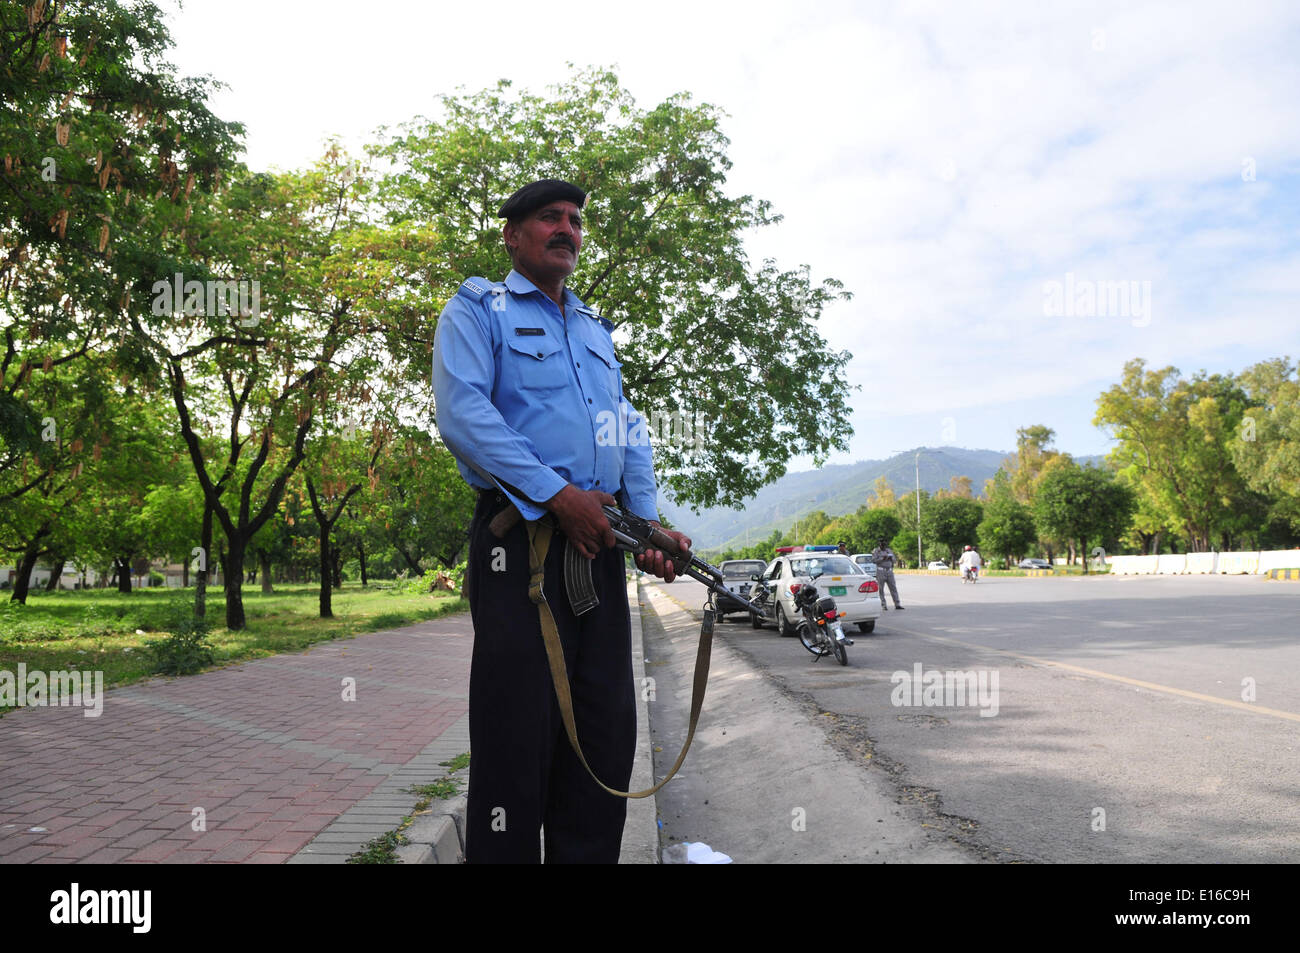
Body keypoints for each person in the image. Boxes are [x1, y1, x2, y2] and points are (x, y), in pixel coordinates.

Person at [431, 178, 689, 864]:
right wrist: (555, 494)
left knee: (604, 735)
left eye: (575, 220)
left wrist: (648, 528)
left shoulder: (595, 331)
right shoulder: (476, 309)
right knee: (517, 739)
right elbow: (463, 415)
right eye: (550, 217)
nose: (567, 228)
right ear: (513, 234)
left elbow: (629, 429)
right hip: (518, 550)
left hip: (599, 544)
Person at [870, 537, 904, 610]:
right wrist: (882, 559)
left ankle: (897, 604)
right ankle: (883, 605)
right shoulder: (876, 551)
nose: (883, 545)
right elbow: (873, 560)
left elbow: (894, 560)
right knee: (881, 589)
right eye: (881, 543)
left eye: (884, 543)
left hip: (889, 571)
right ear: (879, 544)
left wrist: (891, 558)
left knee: (893, 588)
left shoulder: (889, 550)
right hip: (881, 571)